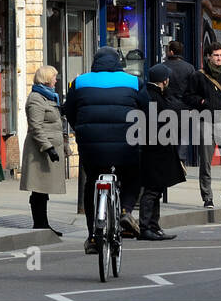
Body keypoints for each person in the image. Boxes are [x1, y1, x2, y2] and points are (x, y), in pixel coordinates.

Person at [63, 46, 146, 253]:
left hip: (91, 144)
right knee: (133, 175)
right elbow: (146, 110)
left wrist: (80, 129)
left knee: (91, 182)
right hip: (126, 143)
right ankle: (125, 210)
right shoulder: (133, 81)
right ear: (118, 62)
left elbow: (69, 110)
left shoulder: (80, 82)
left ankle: (92, 236)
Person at [138, 63, 185, 240]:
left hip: (156, 149)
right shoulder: (153, 97)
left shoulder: (152, 94)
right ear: (164, 81)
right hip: (155, 150)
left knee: (156, 189)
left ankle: (154, 226)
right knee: (152, 190)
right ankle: (145, 227)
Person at [20, 65, 65, 236]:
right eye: (54, 77)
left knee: (43, 188)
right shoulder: (36, 99)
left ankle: (43, 224)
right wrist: (48, 148)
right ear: (46, 78)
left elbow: (55, 124)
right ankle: (40, 224)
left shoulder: (49, 97)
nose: (56, 80)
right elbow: (36, 127)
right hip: (40, 151)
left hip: (49, 149)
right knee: (38, 188)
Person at [195, 43, 221, 208]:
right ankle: (207, 197)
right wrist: (201, 102)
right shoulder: (199, 76)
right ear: (208, 57)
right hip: (206, 121)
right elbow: (189, 96)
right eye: (216, 55)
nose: (219, 58)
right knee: (206, 162)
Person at [163, 42, 198, 164]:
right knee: (184, 134)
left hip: (167, 105)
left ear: (171, 52)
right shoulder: (189, 68)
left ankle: (170, 160)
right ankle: (181, 159)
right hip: (184, 106)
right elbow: (193, 88)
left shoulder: (163, 67)